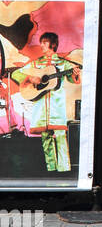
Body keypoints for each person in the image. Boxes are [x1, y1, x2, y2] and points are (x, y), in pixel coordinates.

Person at [11, 31, 80, 173]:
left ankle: (64, 169)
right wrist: (32, 78)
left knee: (60, 136)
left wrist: (75, 74)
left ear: (53, 44)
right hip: (41, 105)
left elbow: (72, 79)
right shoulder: (37, 63)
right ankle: (51, 168)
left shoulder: (63, 63)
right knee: (46, 138)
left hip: (57, 105)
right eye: (41, 42)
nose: (41, 45)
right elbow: (16, 73)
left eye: (44, 42)